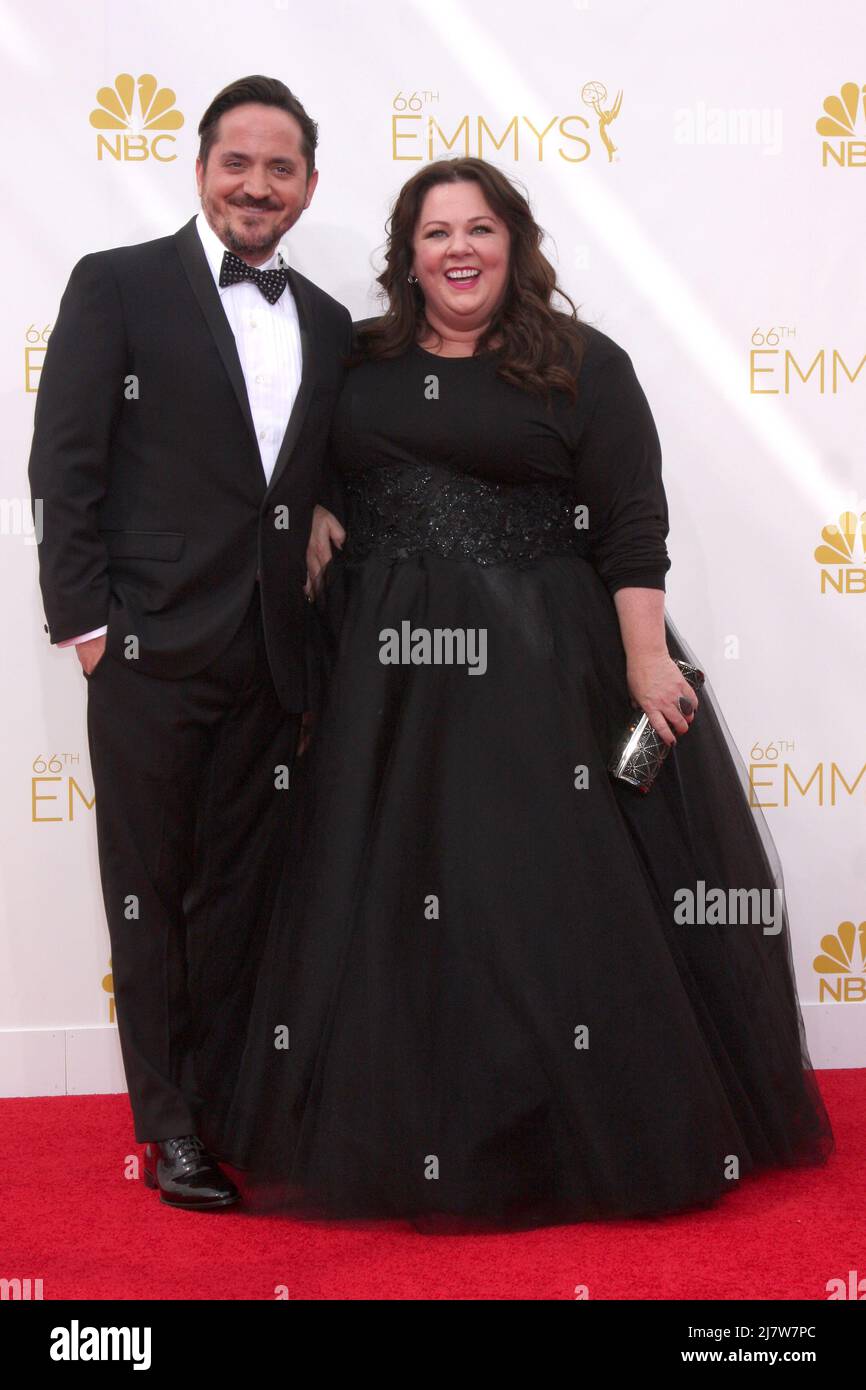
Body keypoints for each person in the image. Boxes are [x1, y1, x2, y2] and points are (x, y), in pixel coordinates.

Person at [196, 156, 834, 1231]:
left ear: (514, 243)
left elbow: (631, 522)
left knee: (539, 897)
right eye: (435, 230)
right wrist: (307, 512)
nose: (457, 248)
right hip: (387, 677)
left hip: (546, 670)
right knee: (397, 900)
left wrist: (644, 657)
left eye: (479, 228)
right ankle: (418, 1130)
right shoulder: (355, 360)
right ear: (406, 255)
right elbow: (295, 462)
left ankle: (556, 1130)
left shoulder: (584, 364)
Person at [28, 75, 351, 1211]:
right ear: (201, 167)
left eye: (280, 168)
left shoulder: (324, 320)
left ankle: (223, 1110)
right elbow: (63, 465)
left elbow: (315, 476)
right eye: (237, 162)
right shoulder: (116, 285)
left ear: (309, 187)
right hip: (147, 654)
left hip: (272, 655)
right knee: (148, 897)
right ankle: (166, 1129)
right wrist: (89, 628)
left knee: (238, 898)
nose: (256, 184)